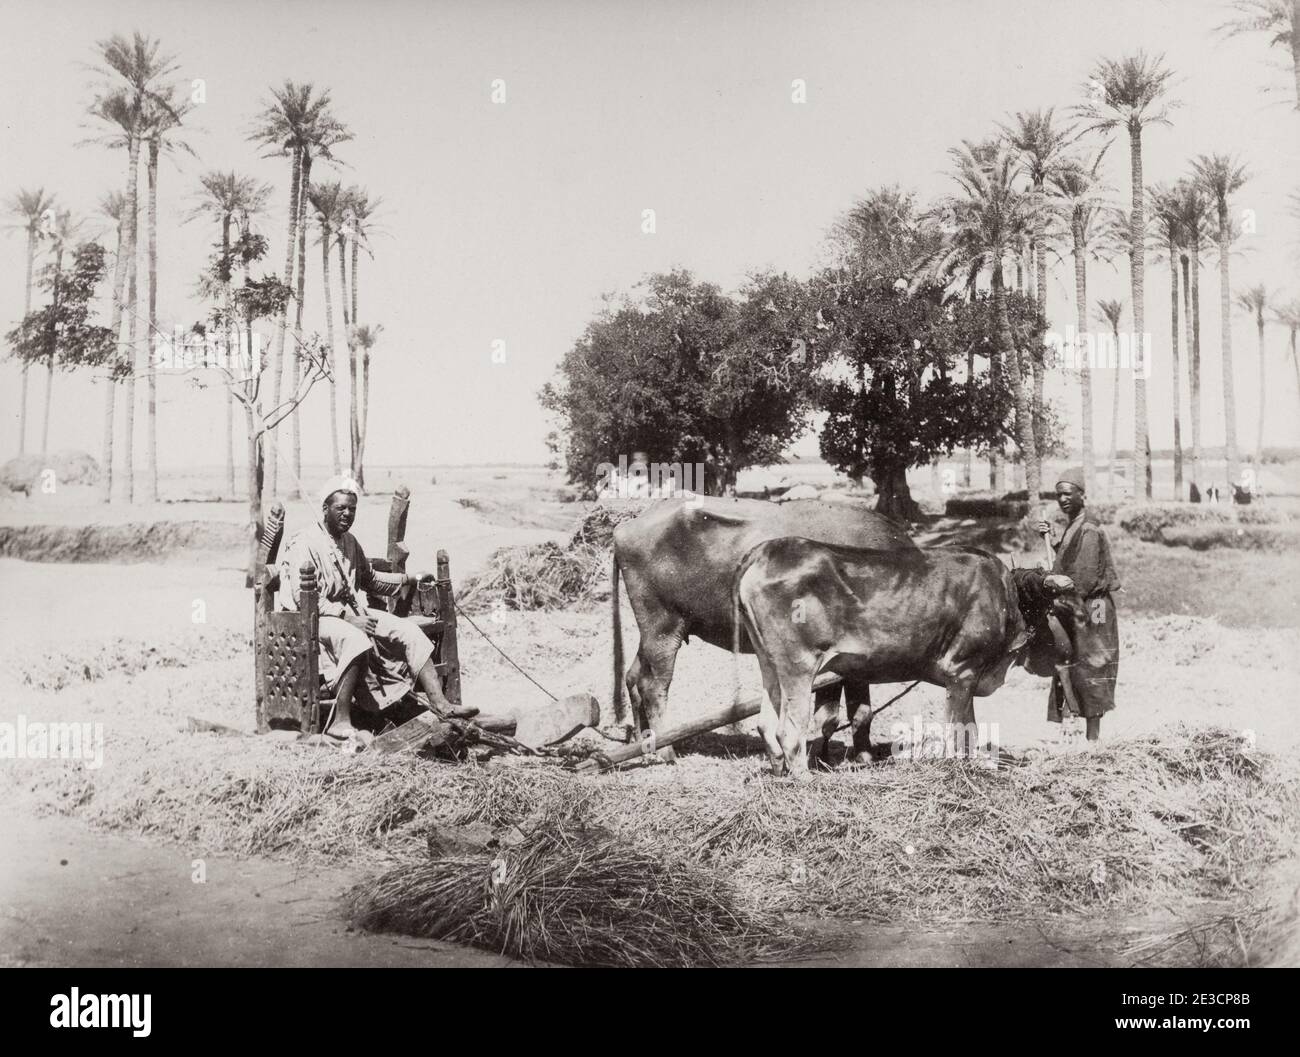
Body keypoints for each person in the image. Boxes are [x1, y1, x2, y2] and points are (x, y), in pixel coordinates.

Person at [279, 475, 475, 741]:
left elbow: (370, 580)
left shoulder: (350, 542)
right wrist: (346, 616)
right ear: (325, 509)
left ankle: (441, 705)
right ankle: (341, 719)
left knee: (408, 631)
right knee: (355, 638)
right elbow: (304, 599)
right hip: (316, 617)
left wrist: (410, 579)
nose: (347, 514)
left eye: (352, 509)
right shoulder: (304, 542)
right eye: (341, 509)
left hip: (351, 611)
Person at [1034, 477, 1121, 744]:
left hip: (1093, 608)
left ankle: (1092, 740)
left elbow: (1082, 577)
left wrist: (1056, 594)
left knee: (1093, 665)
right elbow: (1069, 558)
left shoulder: (1090, 529)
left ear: (1083, 495)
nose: (1062, 499)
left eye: (1068, 494)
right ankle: (1072, 730)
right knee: (1071, 661)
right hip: (1079, 604)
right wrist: (1050, 541)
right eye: (1058, 495)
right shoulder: (1076, 525)